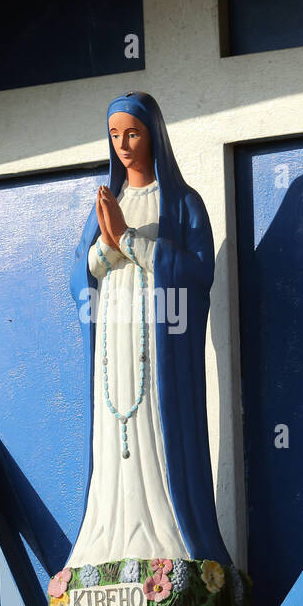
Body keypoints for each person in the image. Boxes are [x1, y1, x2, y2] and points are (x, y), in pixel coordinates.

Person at [66, 92, 232, 570]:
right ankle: (109, 537)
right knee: (114, 428)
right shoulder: (107, 202)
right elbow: (79, 277)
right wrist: (106, 249)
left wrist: (129, 241)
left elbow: (199, 272)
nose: (123, 144)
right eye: (115, 135)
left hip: (159, 345)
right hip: (114, 340)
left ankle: (168, 539)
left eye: (132, 133)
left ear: (153, 134)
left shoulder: (181, 204)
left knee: (156, 428)